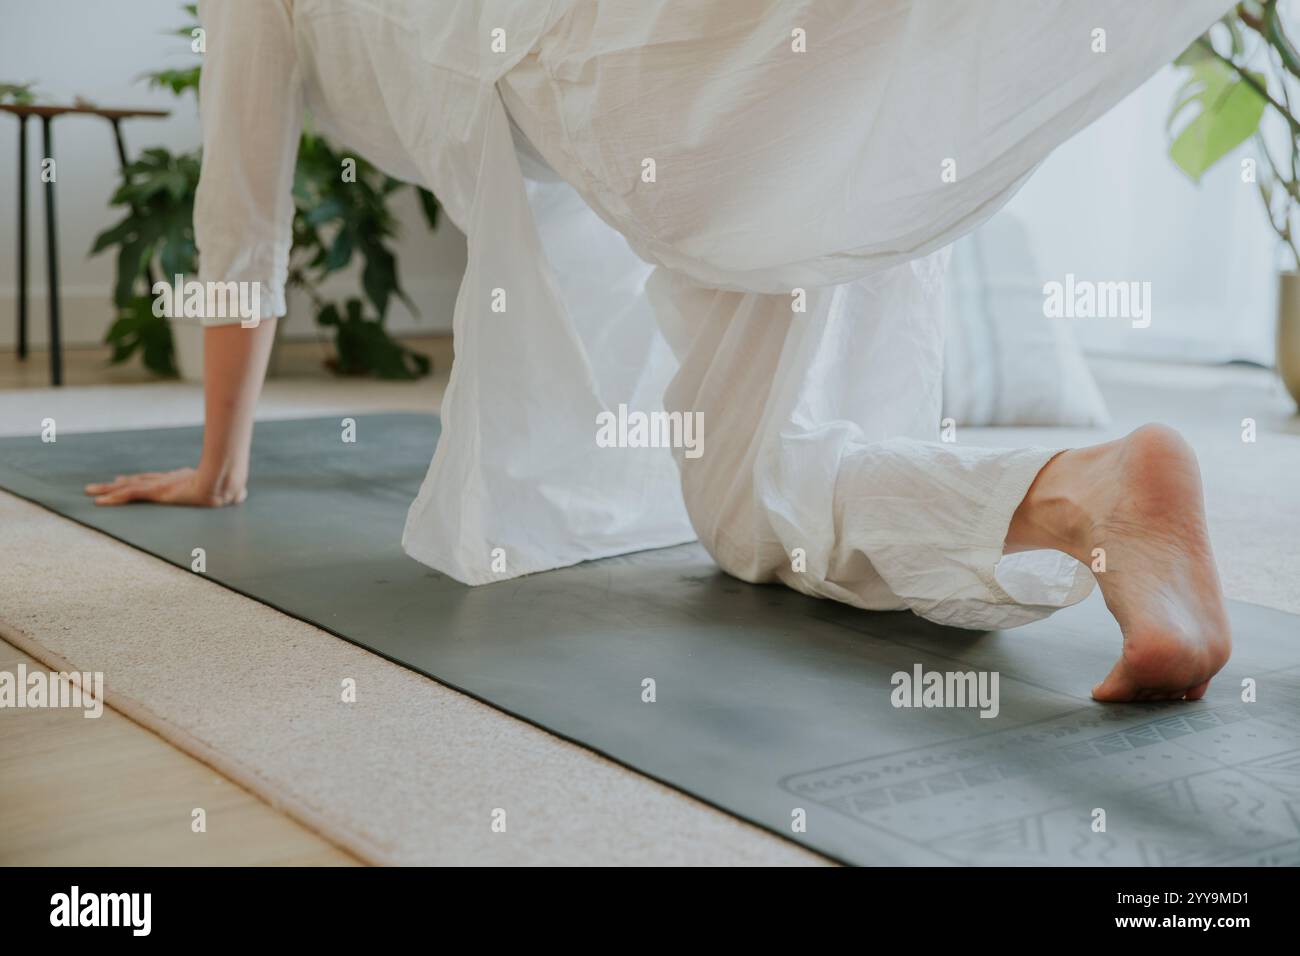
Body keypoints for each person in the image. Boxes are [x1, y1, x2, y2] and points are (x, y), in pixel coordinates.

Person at [85, 0, 1235, 702]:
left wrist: (219, 464)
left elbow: (240, 213)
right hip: (704, 114)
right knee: (752, 500)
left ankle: (1096, 498)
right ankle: (1089, 496)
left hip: (642, 89)